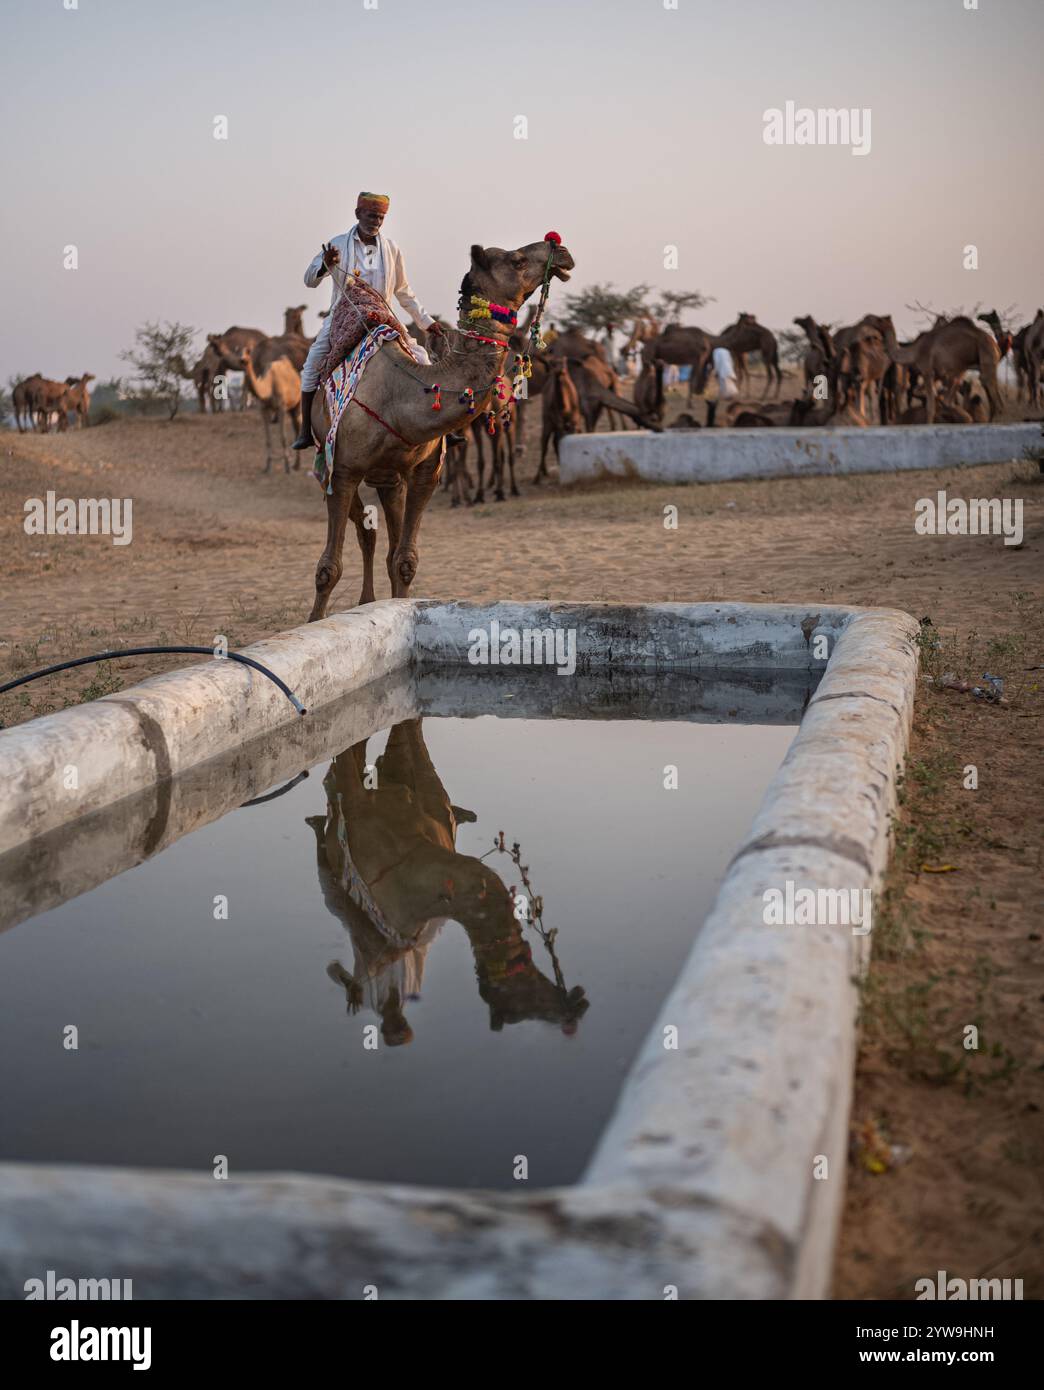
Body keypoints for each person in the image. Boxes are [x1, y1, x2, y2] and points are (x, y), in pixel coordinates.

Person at [292, 191, 440, 449]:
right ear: (358, 213)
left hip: (383, 314)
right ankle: (305, 431)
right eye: (372, 215)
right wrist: (326, 265)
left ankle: (436, 426)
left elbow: (403, 292)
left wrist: (427, 322)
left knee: (421, 358)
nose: (376, 221)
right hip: (344, 313)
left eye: (381, 217)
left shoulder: (392, 250)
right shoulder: (337, 244)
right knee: (313, 362)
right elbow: (309, 281)